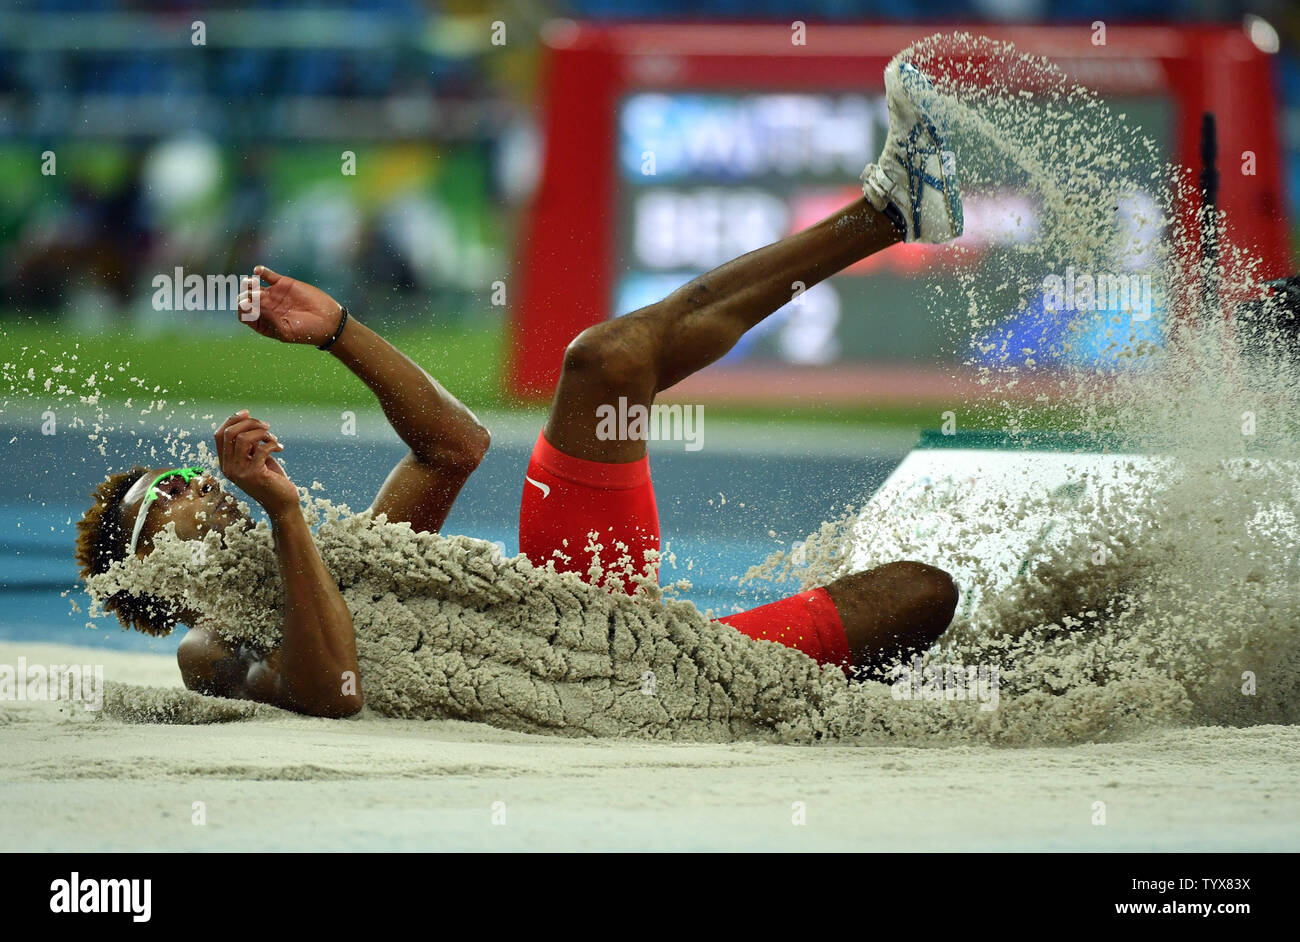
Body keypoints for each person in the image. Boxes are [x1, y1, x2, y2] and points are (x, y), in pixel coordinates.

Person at [76, 60, 963, 718]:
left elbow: (455, 447)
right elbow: (335, 687)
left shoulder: (359, 559)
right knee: (924, 594)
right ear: (150, 565)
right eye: (167, 498)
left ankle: (888, 212)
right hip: (621, 699)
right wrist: (282, 512)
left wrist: (340, 332)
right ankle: (781, 707)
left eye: (182, 474)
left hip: (582, 611)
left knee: (603, 362)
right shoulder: (212, 649)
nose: (194, 484)